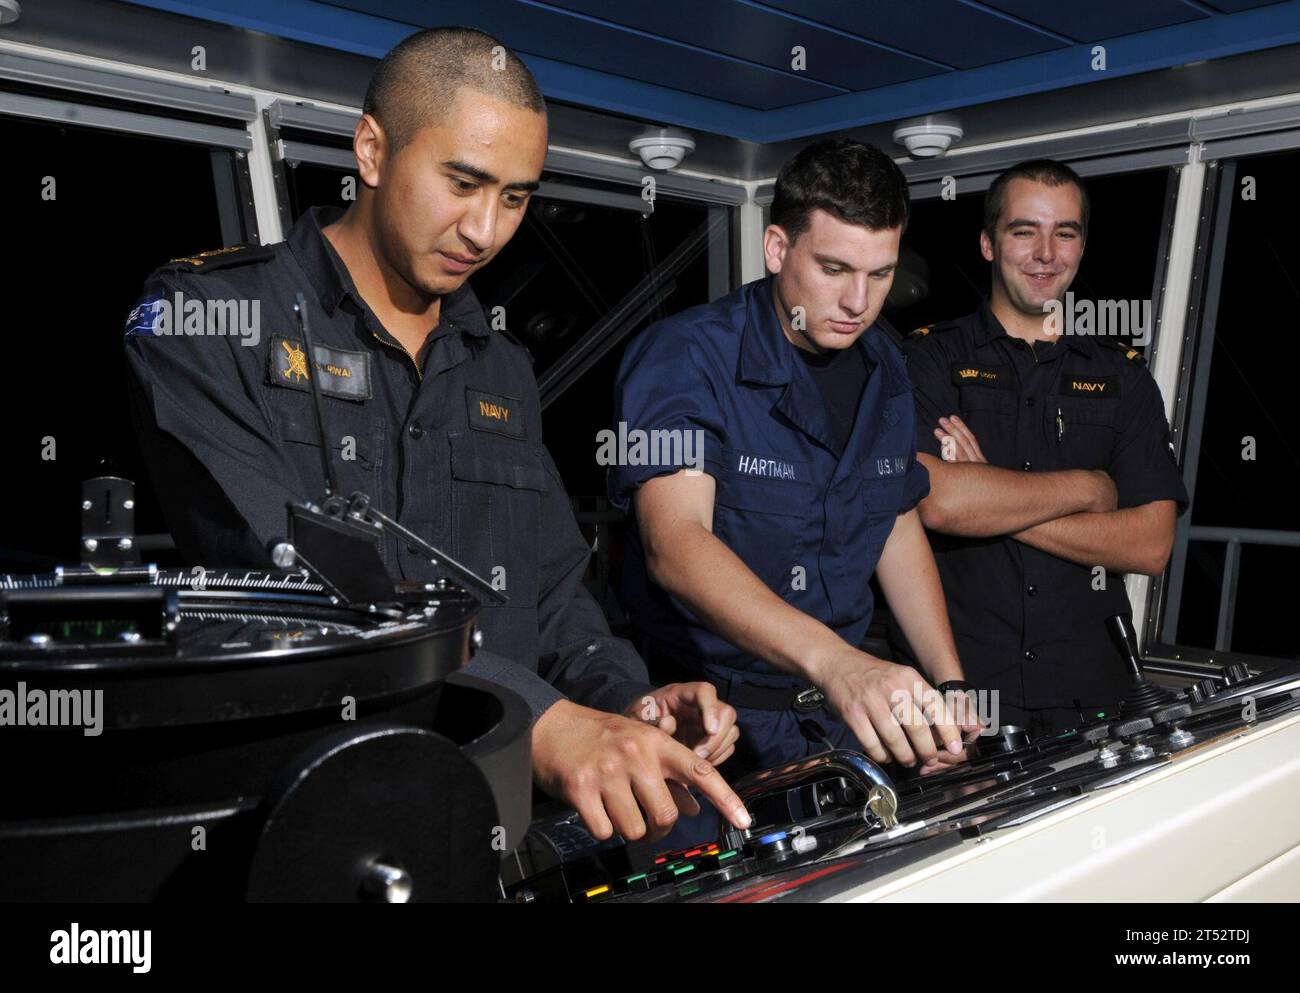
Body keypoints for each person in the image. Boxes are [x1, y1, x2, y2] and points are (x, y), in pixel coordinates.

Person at [122, 27, 750, 843]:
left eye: (517, 198)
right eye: (463, 182)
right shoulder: (204, 320)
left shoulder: (503, 370)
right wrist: (547, 721)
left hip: (489, 823)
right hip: (299, 819)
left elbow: (557, 594)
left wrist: (626, 700)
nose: (485, 231)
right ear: (373, 150)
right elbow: (304, 584)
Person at [610, 138, 981, 777]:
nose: (859, 303)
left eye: (881, 274)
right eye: (834, 269)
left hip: (838, 723)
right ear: (778, 248)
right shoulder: (683, 356)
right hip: (707, 729)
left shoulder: (886, 365)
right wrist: (839, 662)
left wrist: (949, 691)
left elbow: (892, 519)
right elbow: (675, 542)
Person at [896, 159, 1188, 738]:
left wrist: (991, 495)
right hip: (954, 698)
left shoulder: (1124, 378)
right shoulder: (928, 359)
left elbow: (1151, 545)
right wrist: (1088, 489)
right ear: (987, 243)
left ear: (1082, 247)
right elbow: (939, 504)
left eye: (1066, 233)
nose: (1046, 253)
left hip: (1093, 696)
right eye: (1024, 230)